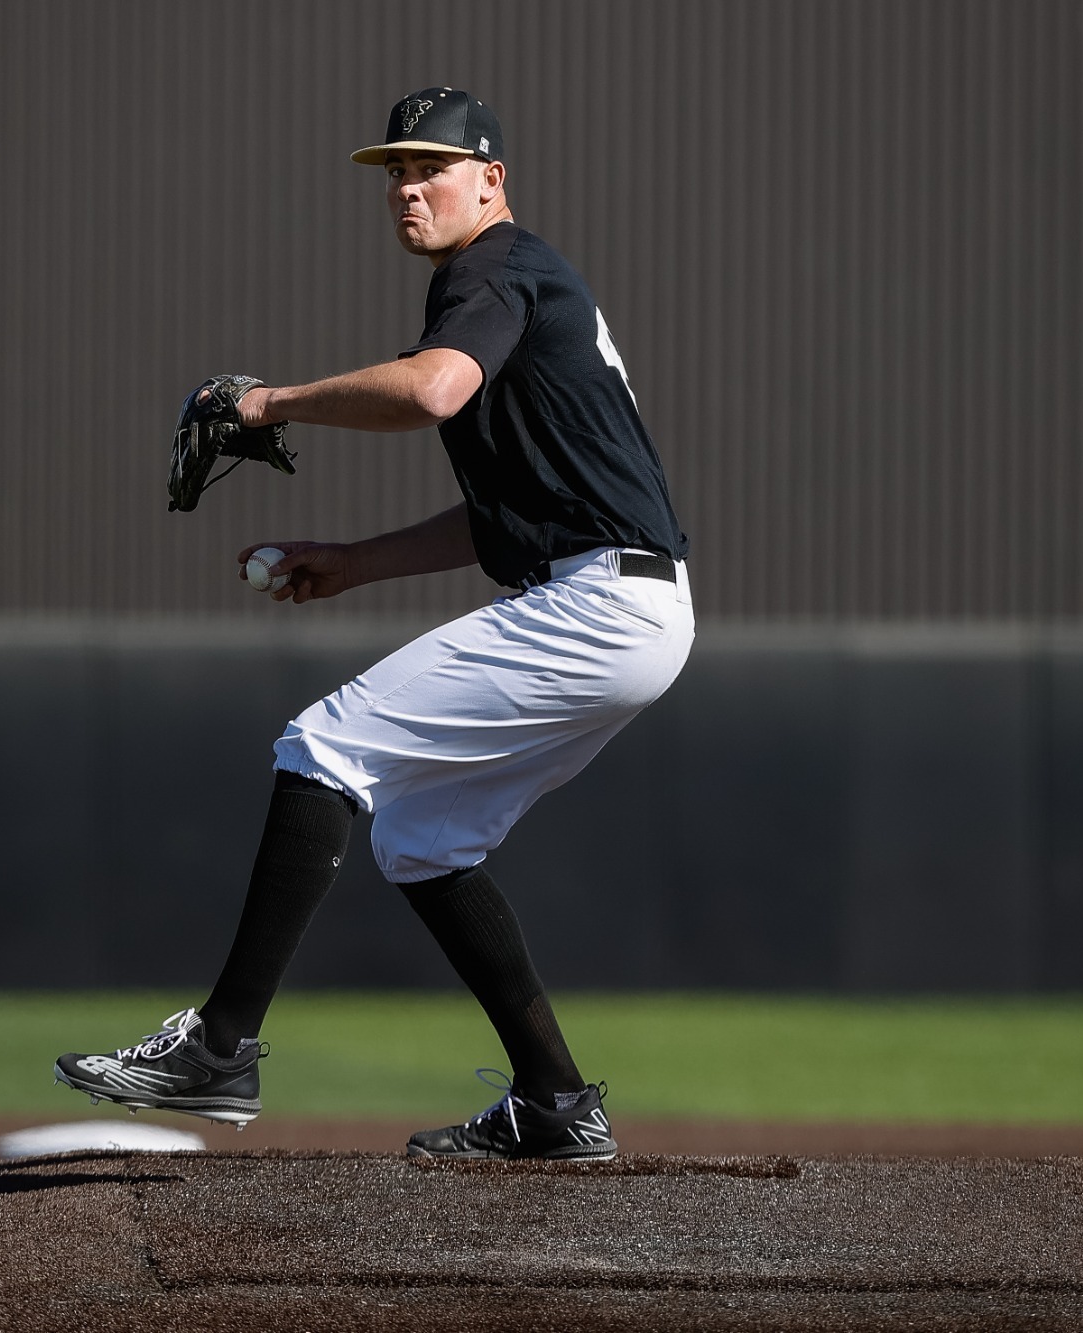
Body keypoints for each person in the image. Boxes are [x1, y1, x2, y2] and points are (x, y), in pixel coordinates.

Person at [55, 88, 693, 1160]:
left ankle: (219, 1047)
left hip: (598, 603)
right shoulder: (514, 281)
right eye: (396, 171)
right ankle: (554, 1101)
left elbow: (432, 390)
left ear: (490, 179)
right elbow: (503, 517)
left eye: (432, 166)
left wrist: (268, 401)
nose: (407, 187)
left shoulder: (492, 267)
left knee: (322, 745)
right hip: (627, 602)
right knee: (423, 840)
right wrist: (355, 562)